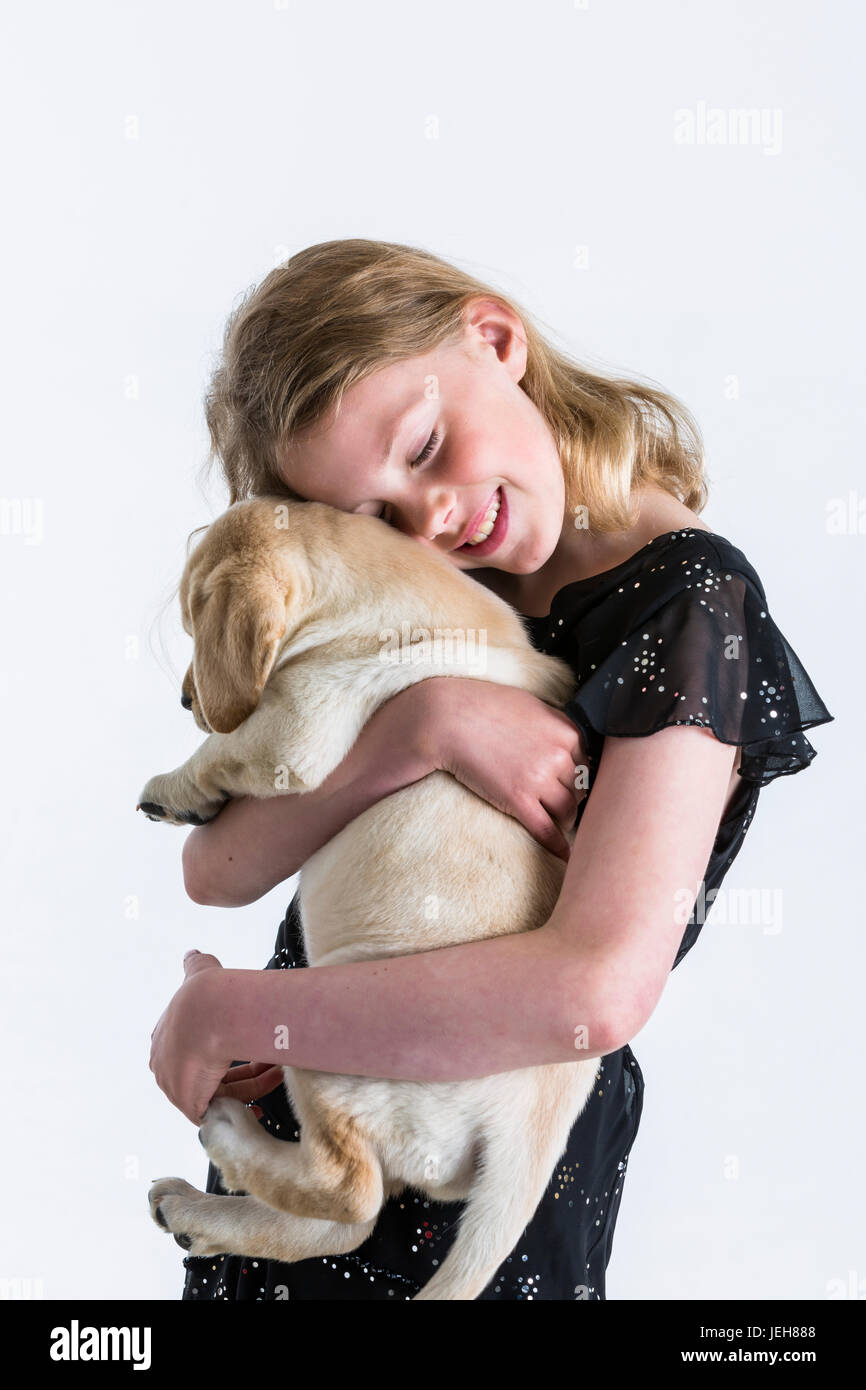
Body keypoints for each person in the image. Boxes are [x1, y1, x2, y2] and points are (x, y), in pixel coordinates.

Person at [149, 238, 833, 1300]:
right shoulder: (430, 581)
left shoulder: (684, 603)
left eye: (424, 446)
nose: (430, 520)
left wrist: (242, 1012)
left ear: (495, 339)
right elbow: (219, 865)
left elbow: (593, 991)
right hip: (315, 1101)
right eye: (374, 517)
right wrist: (417, 729)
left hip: (487, 1163)